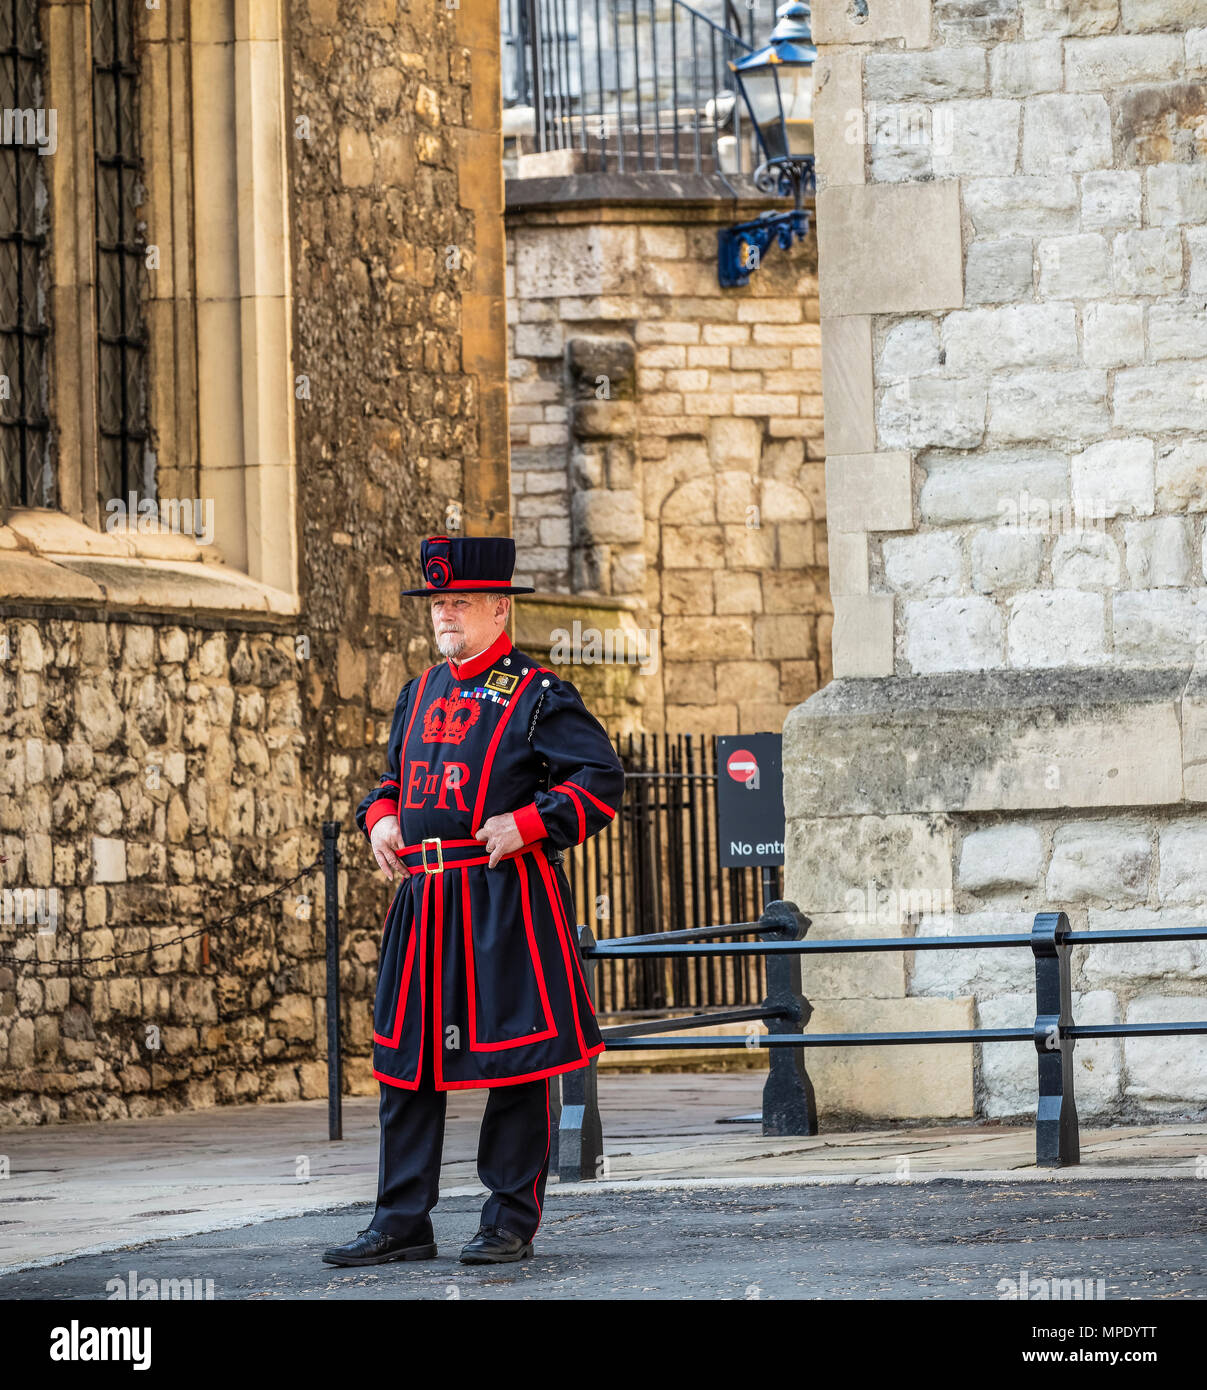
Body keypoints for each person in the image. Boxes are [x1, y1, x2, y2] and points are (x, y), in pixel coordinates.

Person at [322, 534, 625, 1267]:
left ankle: (508, 1220)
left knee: (514, 1062)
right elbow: (392, 779)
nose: (442, 614)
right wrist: (379, 817)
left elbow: (599, 781)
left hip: (502, 901)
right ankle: (401, 1221)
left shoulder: (539, 694)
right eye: (436, 603)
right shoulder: (419, 691)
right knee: (406, 1063)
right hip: (422, 903)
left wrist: (530, 823)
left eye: (457, 602)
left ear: (498, 608)